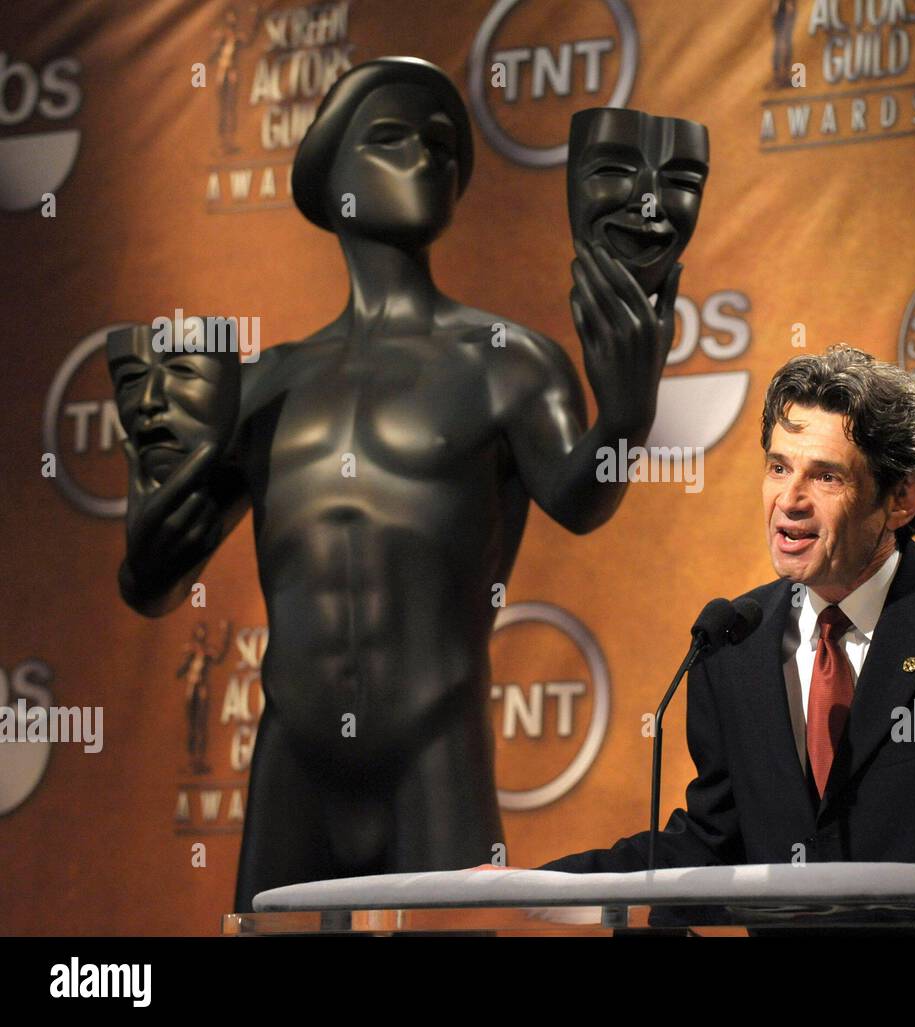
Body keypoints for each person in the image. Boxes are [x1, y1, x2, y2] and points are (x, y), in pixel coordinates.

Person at [110, 58, 682, 911]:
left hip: (435, 746)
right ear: (328, 178)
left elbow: (580, 498)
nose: (424, 156)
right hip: (292, 751)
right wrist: (146, 553)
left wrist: (627, 417)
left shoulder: (508, 362)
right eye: (390, 137)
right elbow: (155, 583)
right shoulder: (265, 385)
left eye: (443, 144)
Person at [534, 345, 915, 916]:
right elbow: (713, 844)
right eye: (778, 467)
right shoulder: (733, 644)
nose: (789, 500)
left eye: (826, 476)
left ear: (902, 497)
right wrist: (544, 883)